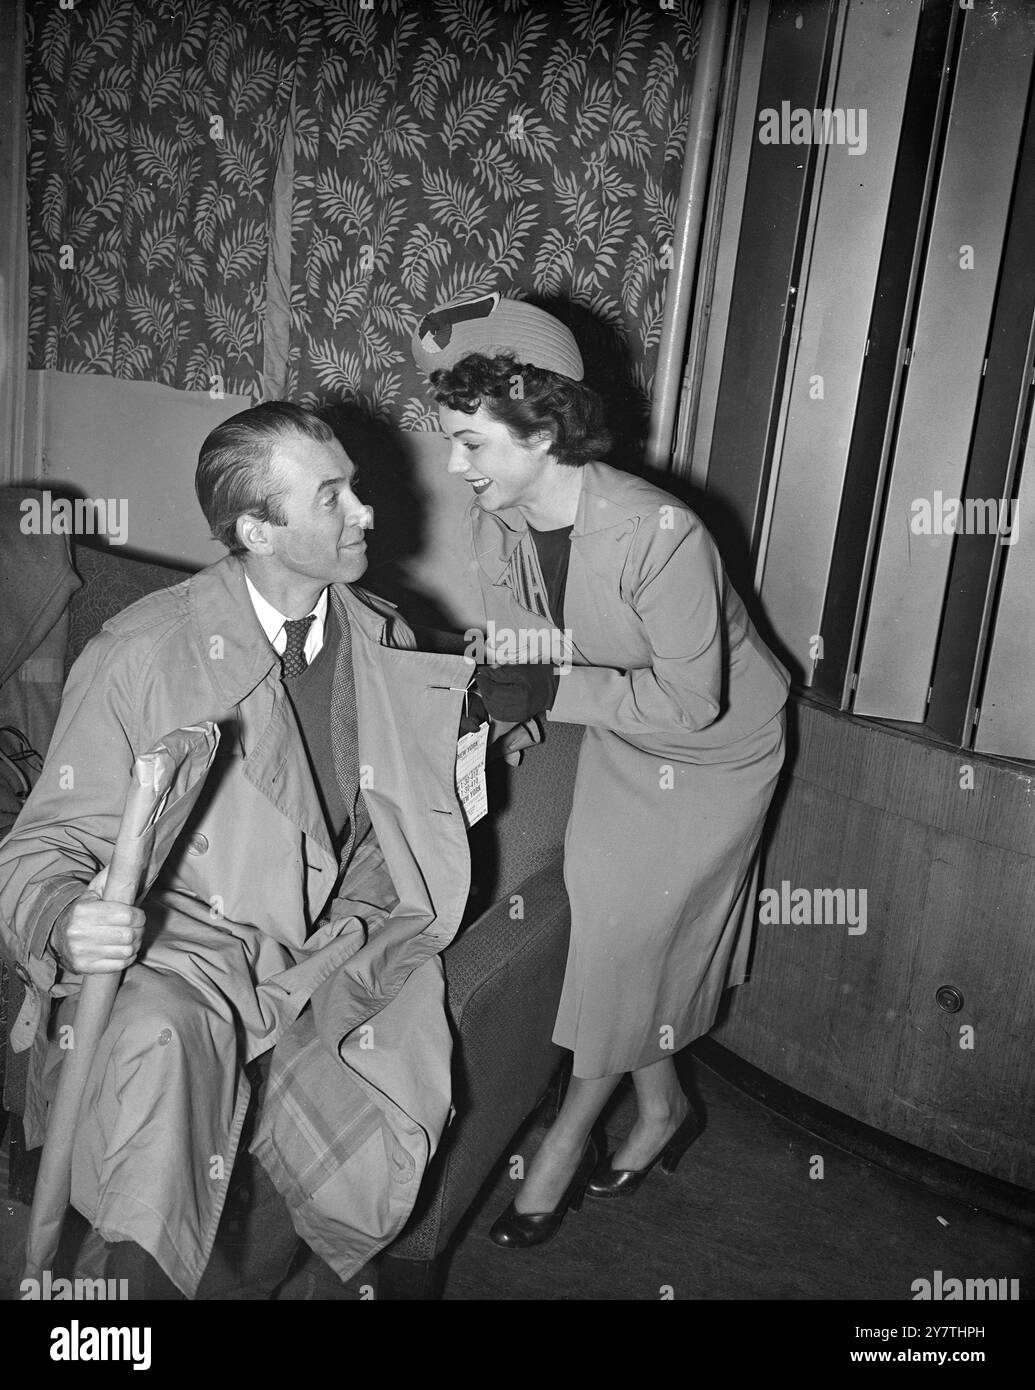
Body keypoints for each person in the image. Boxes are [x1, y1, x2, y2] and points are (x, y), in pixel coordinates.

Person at [0, 402, 474, 1297]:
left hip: (339, 939)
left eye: (355, 489)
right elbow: (43, 846)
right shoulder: (141, 653)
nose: (365, 513)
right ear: (257, 529)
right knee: (158, 1048)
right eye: (331, 499)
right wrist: (66, 921)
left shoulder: (384, 634)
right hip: (189, 944)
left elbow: (403, 796)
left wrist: (484, 714)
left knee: (392, 1128)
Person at [411, 294, 790, 1247]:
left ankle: (567, 1139)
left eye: (471, 443)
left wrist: (542, 695)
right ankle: (661, 1110)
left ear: (542, 428)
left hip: (714, 750)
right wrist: (485, 726)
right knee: (620, 935)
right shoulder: (501, 513)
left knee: (625, 933)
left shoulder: (658, 535)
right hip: (627, 733)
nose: (454, 465)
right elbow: (523, 643)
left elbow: (687, 702)